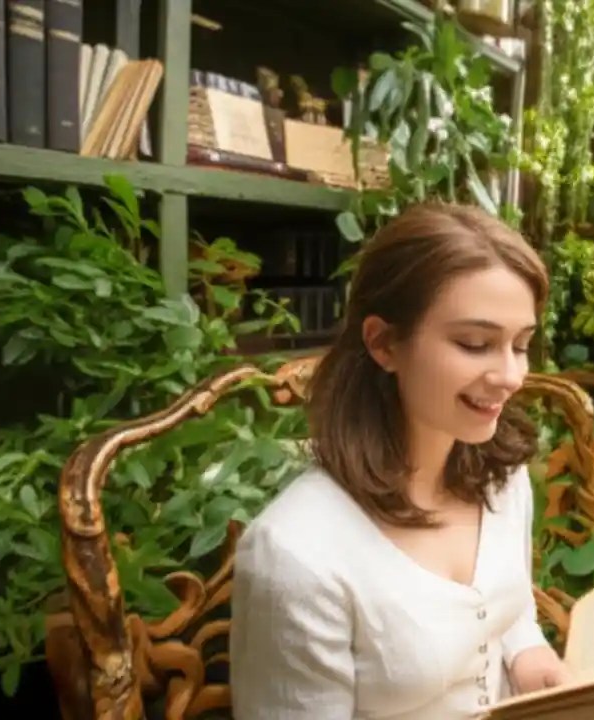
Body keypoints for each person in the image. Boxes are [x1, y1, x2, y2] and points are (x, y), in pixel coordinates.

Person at [229, 202, 570, 719]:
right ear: (384, 343)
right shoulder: (297, 556)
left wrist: (533, 661)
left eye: (520, 345)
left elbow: (510, 613)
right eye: (475, 344)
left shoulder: (502, 478)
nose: (511, 375)